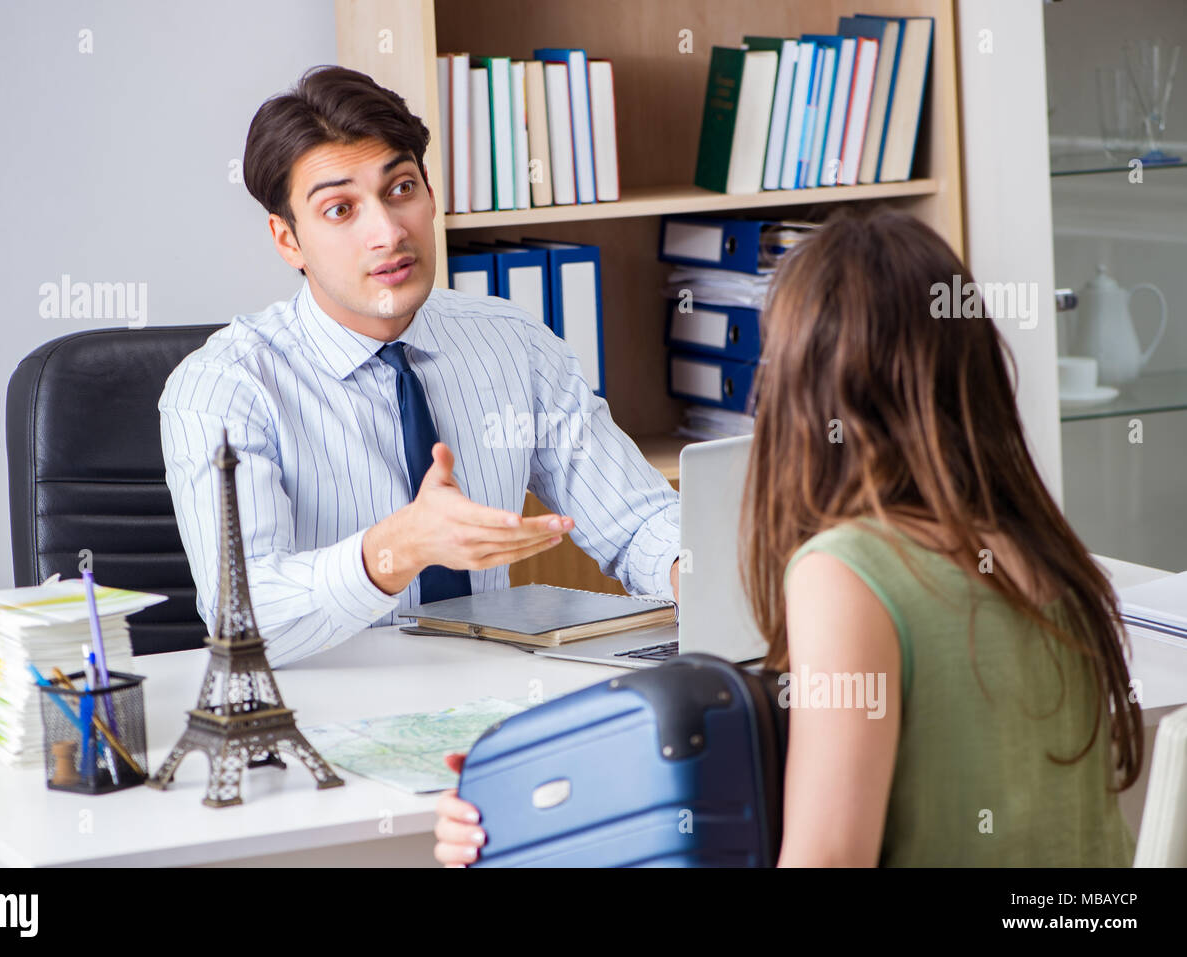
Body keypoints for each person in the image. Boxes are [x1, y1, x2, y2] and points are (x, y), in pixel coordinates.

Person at [434, 207, 1143, 867]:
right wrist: (525, 780)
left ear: (802, 386)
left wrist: (518, 812)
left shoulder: (848, 572)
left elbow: (826, 859)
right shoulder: (1048, 552)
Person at [158, 66, 681, 668]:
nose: (386, 231)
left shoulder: (514, 343)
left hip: (493, 696)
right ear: (288, 241)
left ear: (431, 196)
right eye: (339, 209)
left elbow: (636, 520)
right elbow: (244, 619)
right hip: (326, 710)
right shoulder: (224, 388)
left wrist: (687, 571)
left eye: (400, 189)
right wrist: (396, 549)